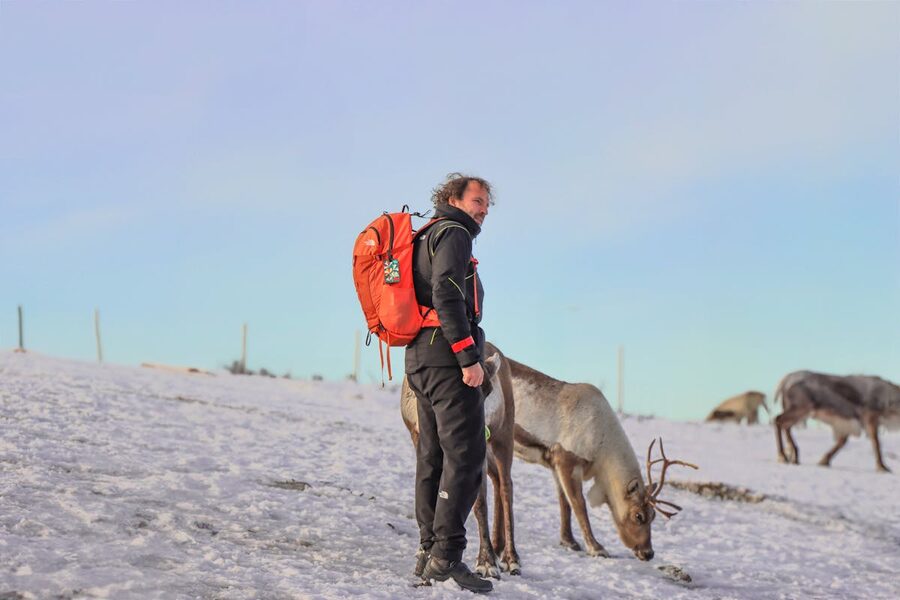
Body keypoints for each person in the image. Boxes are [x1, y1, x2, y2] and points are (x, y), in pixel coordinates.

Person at [405, 173, 493, 593]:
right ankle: (446, 557)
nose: (483, 210)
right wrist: (468, 357)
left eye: (487, 205)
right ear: (453, 199)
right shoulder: (455, 233)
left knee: (433, 455)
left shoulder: (427, 234)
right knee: (468, 454)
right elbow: (447, 293)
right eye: (477, 200)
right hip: (446, 357)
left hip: (420, 356)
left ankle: (428, 550)